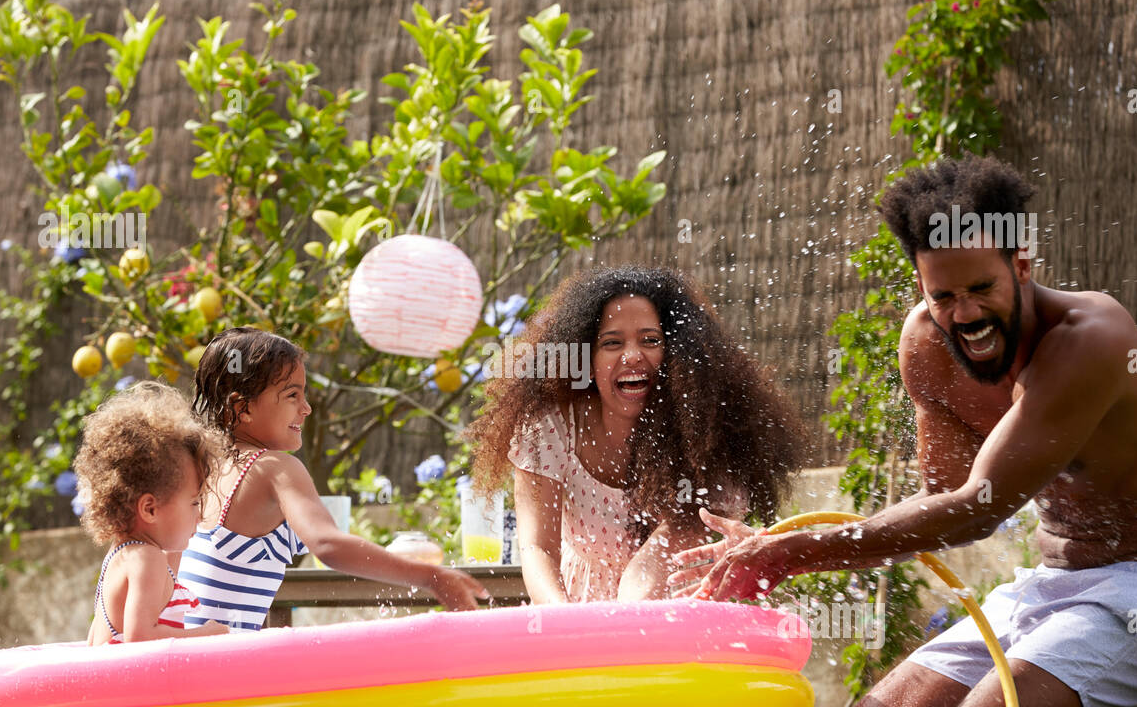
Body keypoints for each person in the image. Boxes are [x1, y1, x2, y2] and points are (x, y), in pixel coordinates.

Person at [671, 155, 1137, 707]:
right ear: (920, 285)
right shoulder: (926, 343)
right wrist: (781, 543)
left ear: (1022, 265)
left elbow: (976, 511)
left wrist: (791, 553)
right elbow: (942, 494)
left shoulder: (1090, 339)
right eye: (943, 295)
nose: (965, 315)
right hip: (1050, 583)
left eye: (981, 289)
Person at [468, 265, 808, 603]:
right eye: (612, 343)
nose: (632, 355)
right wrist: (565, 620)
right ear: (587, 360)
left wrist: (618, 629)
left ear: (678, 356)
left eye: (650, 341)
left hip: (677, 612)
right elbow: (537, 547)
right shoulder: (550, 427)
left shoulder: (709, 436)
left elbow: (645, 581)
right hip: (573, 606)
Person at [177, 327, 486, 630]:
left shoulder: (204, 467)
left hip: (183, 650)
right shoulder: (274, 468)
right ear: (242, 408)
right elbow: (327, 543)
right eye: (292, 395)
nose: (307, 408)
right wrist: (431, 576)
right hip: (220, 656)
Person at [76, 381, 230, 645]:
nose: (200, 515)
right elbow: (140, 637)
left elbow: (95, 640)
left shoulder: (124, 554)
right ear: (150, 509)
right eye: (194, 503)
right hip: (127, 674)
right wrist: (205, 634)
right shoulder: (148, 559)